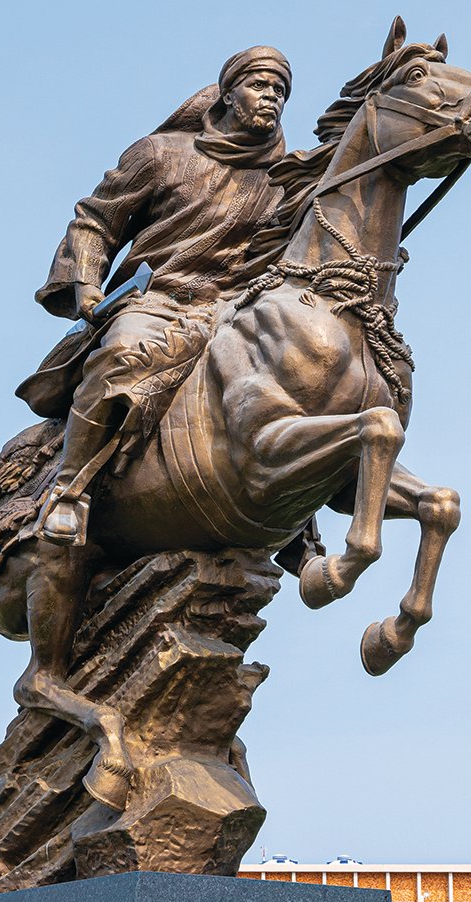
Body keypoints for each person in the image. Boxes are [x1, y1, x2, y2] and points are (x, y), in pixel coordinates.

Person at [21, 46, 293, 546]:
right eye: (260, 85)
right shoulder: (163, 153)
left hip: (234, 313)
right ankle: (68, 491)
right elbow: (95, 221)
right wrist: (85, 285)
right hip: (161, 302)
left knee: (299, 379)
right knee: (122, 352)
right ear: (228, 93)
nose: (271, 97)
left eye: (280, 91)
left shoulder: (282, 182)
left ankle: (298, 531)